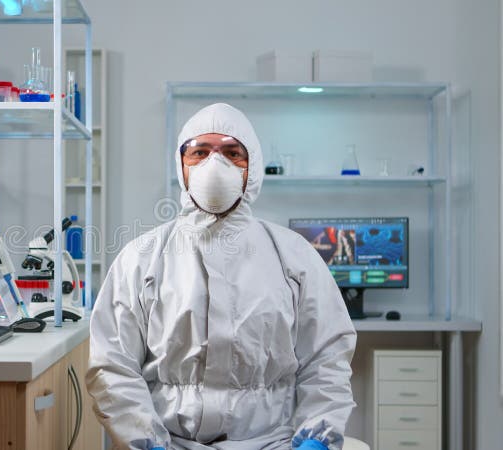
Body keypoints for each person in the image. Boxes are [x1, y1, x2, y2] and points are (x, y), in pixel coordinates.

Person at [86, 103, 356, 450]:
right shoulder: (141, 258)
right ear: (181, 167)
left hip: (272, 443)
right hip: (170, 443)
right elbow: (112, 365)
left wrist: (316, 436)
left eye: (232, 153)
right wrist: (145, 439)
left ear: (252, 167)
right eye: (200, 152)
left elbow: (327, 359)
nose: (215, 165)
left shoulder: (294, 256)